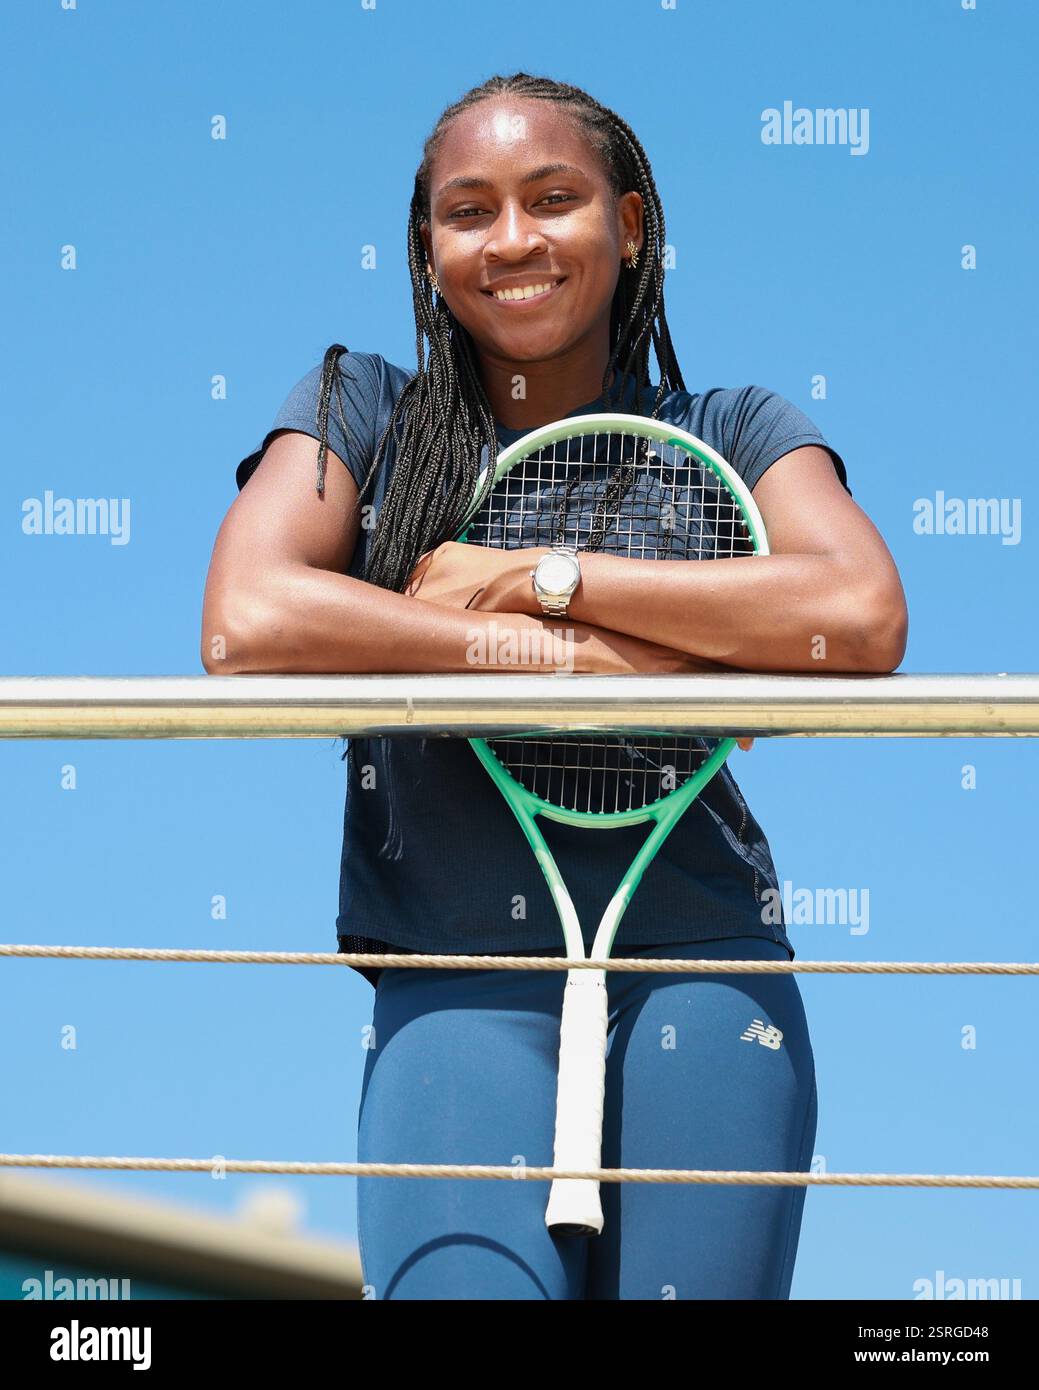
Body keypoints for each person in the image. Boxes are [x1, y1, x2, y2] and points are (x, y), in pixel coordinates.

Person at [203, 72, 907, 1300]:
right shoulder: (357, 409)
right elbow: (249, 617)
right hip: (452, 975)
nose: (512, 239)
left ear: (630, 225)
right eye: (467, 212)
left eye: (553, 199)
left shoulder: (736, 430)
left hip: (699, 960)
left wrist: (540, 577)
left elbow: (856, 612)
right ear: (426, 252)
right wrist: (544, 658)